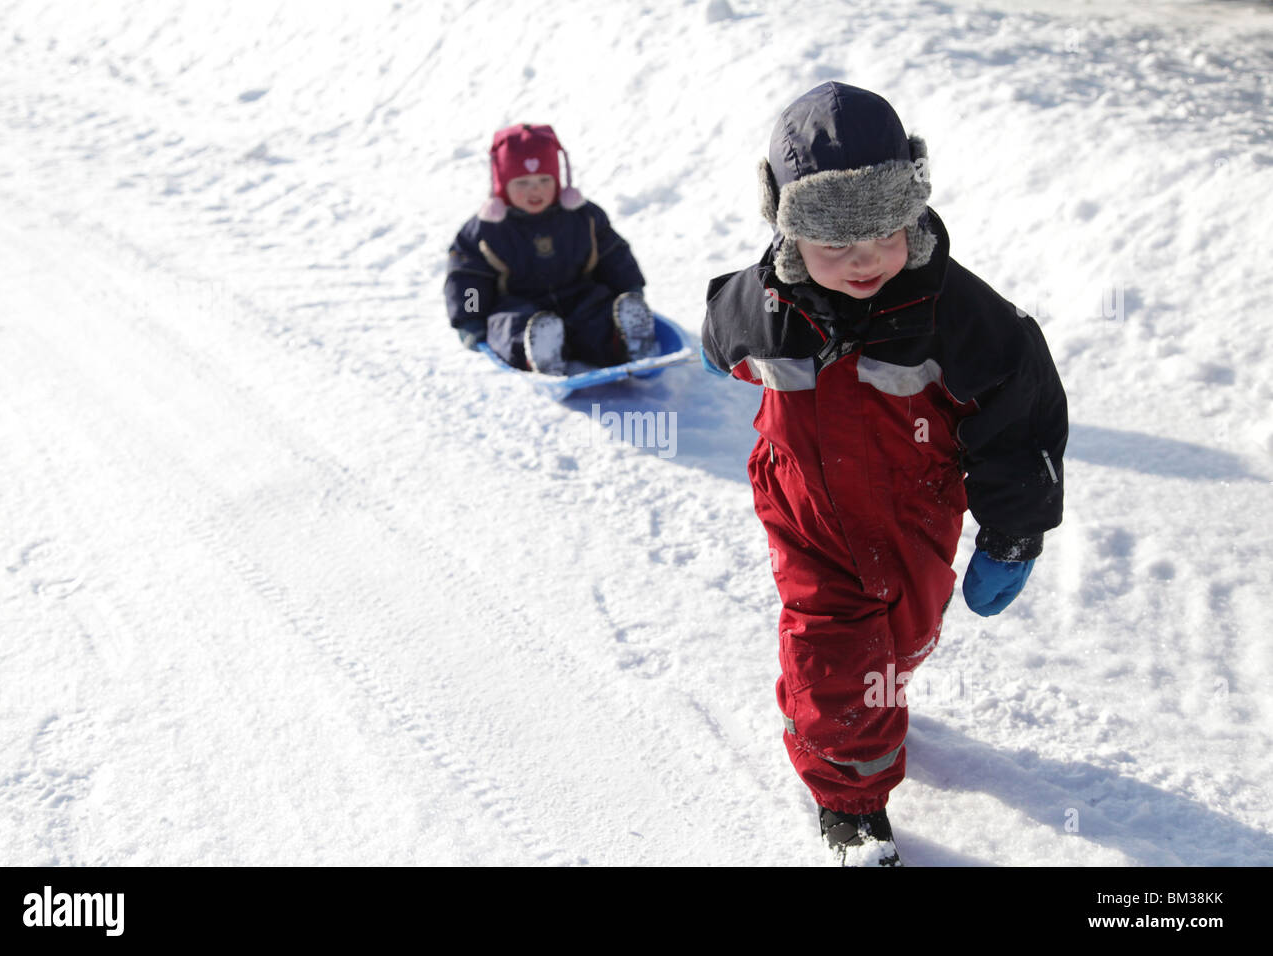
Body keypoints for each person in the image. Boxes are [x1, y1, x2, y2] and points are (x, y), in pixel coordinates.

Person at [701, 82, 1068, 866]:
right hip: (806, 514)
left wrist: (1014, 527)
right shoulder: (765, 306)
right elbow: (718, 338)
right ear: (790, 231)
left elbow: (1019, 415)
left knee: (904, 637)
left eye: (884, 233)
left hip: (916, 514)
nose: (866, 260)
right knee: (834, 653)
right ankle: (851, 804)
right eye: (836, 244)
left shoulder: (955, 313)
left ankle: (877, 686)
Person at [445, 123, 655, 375]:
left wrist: (629, 287)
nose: (535, 189)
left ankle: (627, 342)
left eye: (545, 179)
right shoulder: (485, 229)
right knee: (507, 326)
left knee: (599, 313)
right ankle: (539, 356)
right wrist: (470, 318)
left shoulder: (582, 216)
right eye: (522, 182)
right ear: (501, 185)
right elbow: (469, 278)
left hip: (578, 295)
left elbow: (614, 254)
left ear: (559, 180)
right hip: (518, 304)